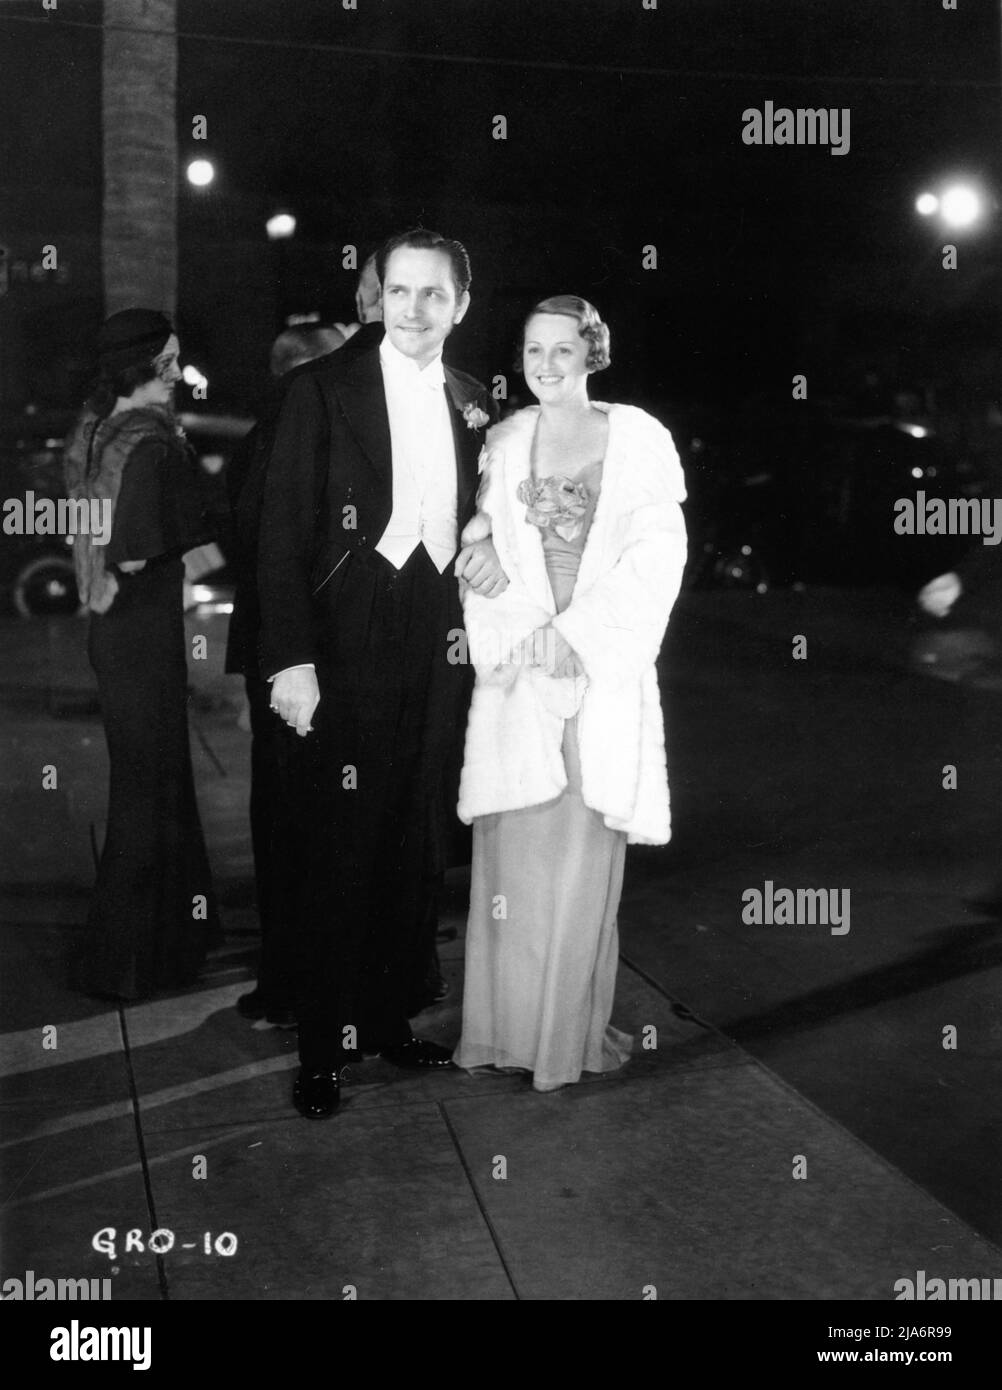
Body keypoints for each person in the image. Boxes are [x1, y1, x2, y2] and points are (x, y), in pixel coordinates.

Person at [257, 228, 507, 1119]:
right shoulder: (319, 392)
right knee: (339, 843)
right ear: (377, 297)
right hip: (344, 636)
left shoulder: (474, 401)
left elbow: (495, 513)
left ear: (460, 305)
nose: (414, 310)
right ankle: (323, 1047)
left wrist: (485, 547)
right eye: (399, 292)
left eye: (433, 295)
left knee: (414, 835)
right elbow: (281, 534)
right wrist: (290, 659)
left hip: (439, 637)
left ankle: (392, 1017)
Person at [453, 295, 688, 1090]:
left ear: (593, 353)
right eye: (532, 350)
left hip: (600, 675)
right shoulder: (504, 437)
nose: (545, 366)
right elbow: (482, 541)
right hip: (521, 675)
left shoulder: (640, 439)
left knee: (583, 856)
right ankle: (503, 1034)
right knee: (512, 866)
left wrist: (580, 633)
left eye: (562, 350)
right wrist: (479, 558)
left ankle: (565, 1040)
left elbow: (659, 559)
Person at [63, 309, 222, 999]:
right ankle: (129, 962)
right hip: (142, 629)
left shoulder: (95, 431)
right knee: (147, 792)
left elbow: (99, 540)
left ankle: (172, 943)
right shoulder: (153, 444)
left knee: (152, 784)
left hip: (113, 630)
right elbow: (142, 549)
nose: (180, 373)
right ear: (150, 366)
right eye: (172, 359)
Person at [226, 325, 346, 1029]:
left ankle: (289, 977)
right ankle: (290, 981)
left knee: (289, 822)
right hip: (289, 657)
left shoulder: (265, 431)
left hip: (279, 651)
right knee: (292, 824)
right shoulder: (286, 431)